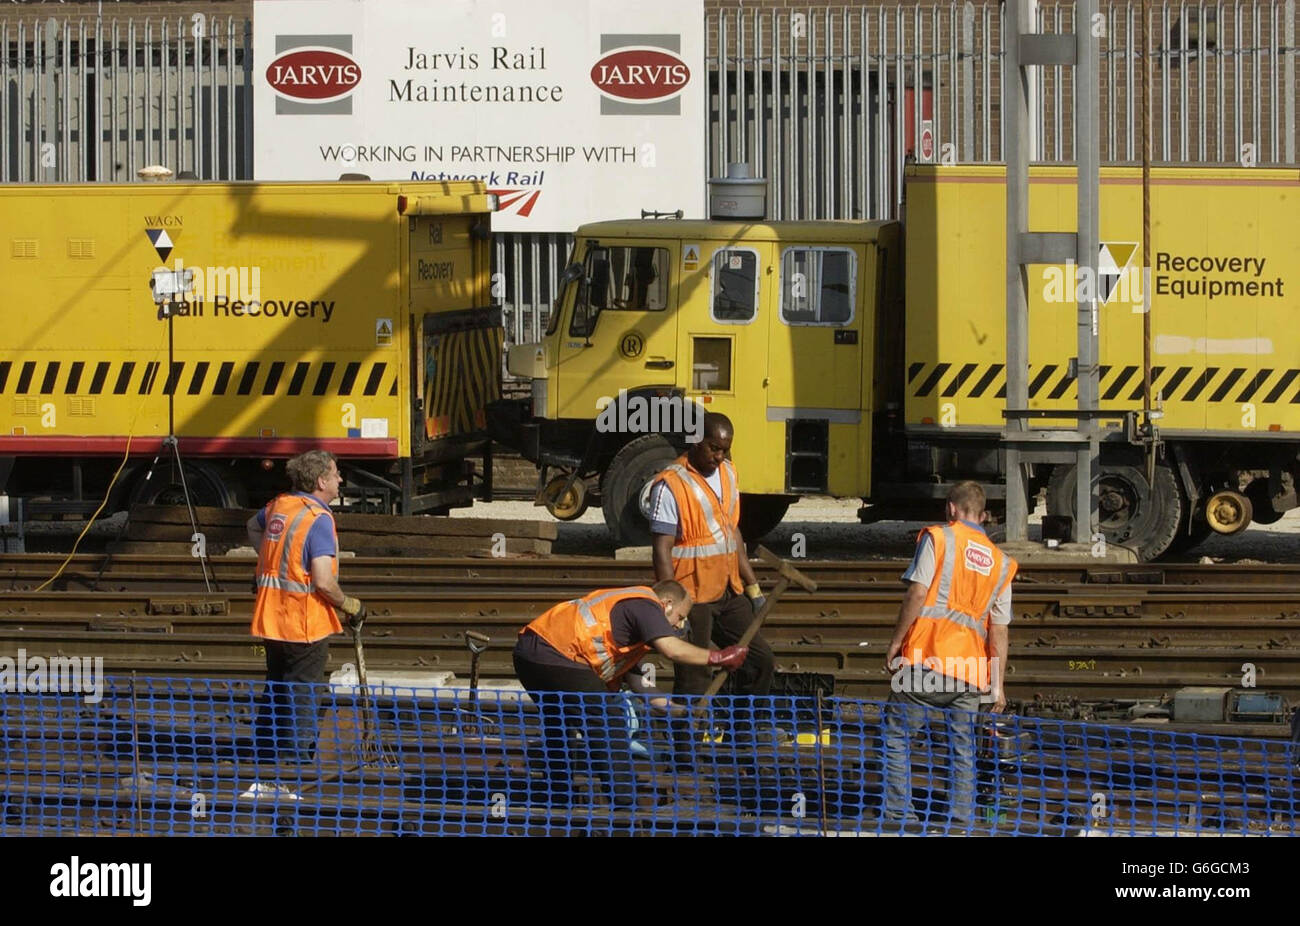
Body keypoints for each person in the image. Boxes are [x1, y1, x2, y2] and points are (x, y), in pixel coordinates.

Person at [513, 580, 747, 808]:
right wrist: (718, 657)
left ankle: (559, 795)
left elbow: (642, 687)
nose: (680, 625)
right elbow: (671, 650)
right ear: (666, 604)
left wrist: (681, 711)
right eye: (680, 616)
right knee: (608, 719)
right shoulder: (645, 605)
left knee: (561, 722)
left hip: (530, 652)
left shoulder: (631, 633)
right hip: (555, 652)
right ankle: (625, 802)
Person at [881, 480, 1015, 831]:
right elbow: (999, 629)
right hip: (970, 670)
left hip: (927, 657)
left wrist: (896, 642)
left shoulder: (939, 538)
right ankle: (959, 823)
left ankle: (901, 818)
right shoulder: (1001, 563)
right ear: (983, 515)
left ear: (951, 509)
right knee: (962, 749)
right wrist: (997, 685)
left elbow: (918, 591)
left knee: (897, 735)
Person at [243, 450, 366, 795]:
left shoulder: (280, 505)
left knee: (277, 686)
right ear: (321, 481)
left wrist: (267, 563)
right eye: (337, 473)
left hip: (272, 618)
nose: (341, 480)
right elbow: (324, 582)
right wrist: (351, 605)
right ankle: (293, 769)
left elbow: (254, 527)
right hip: (304, 622)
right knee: (303, 693)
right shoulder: (318, 519)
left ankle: (267, 760)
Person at [647, 413, 774, 719]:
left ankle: (743, 737)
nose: (719, 456)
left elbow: (733, 533)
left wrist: (753, 587)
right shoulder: (670, 485)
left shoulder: (728, 472)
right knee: (694, 677)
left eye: (725, 449)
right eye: (713, 448)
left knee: (759, 661)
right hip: (691, 596)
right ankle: (685, 756)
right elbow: (661, 550)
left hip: (728, 590)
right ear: (695, 441)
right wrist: (671, 608)